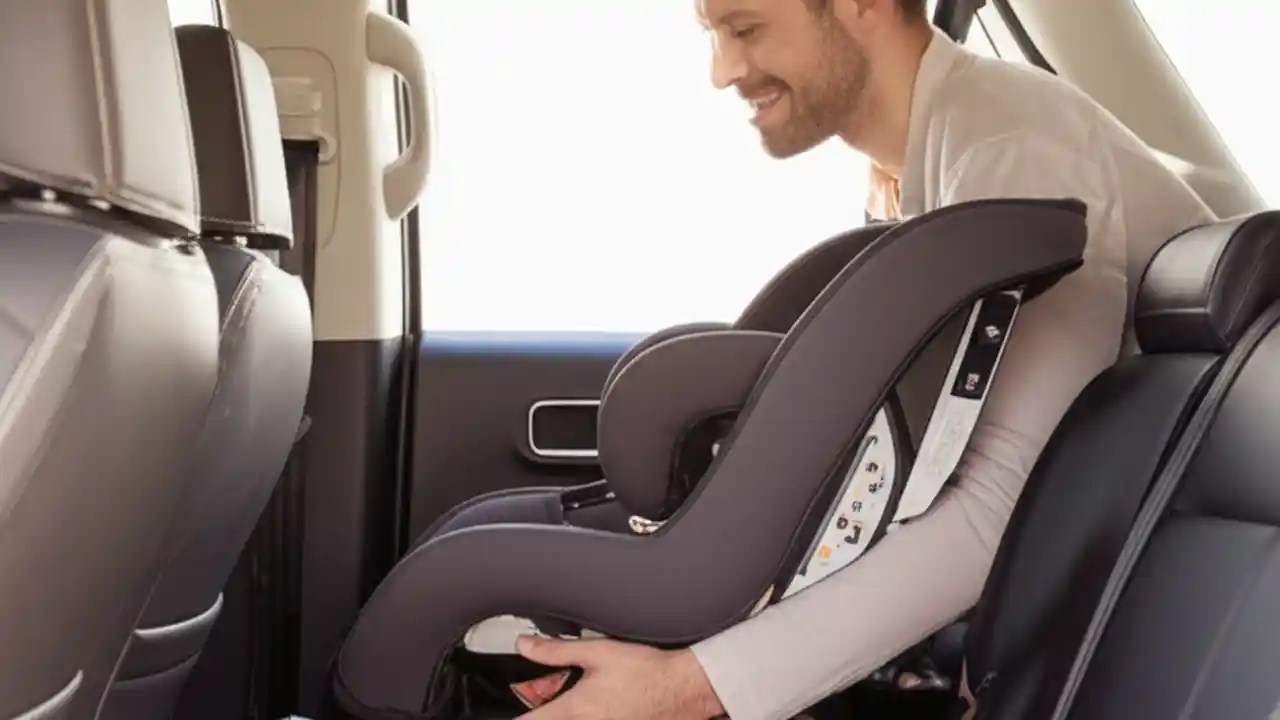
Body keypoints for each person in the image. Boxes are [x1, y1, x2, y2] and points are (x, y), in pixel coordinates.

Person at [511, 0, 1217, 718]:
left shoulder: (1013, 144)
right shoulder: (940, 159)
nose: (722, 71)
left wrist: (684, 688)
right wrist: (662, 633)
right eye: (712, 35)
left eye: (745, 28)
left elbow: (1004, 503)